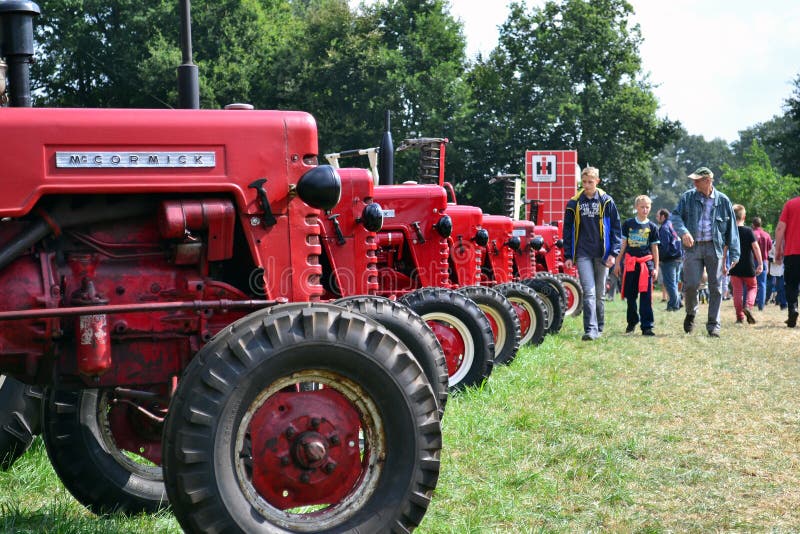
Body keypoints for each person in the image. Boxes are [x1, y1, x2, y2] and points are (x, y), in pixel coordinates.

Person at [670, 166, 740, 337]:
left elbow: (732, 229)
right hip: (693, 248)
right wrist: (684, 232)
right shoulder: (688, 197)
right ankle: (691, 313)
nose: (694, 183)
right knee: (691, 284)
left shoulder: (723, 201)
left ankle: (713, 325)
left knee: (716, 288)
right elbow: (675, 216)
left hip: (714, 247)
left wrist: (734, 253)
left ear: (707, 181)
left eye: (697, 180)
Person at [563, 166, 622, 341]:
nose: (587, 185)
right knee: (588, 292)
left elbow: (616, 229)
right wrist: (567, 254)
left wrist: (614, 253)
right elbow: (567, 230)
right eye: (584, 182)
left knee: (599, 294)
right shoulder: (574, 203)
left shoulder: (606, 201)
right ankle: (590, 329)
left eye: (590, 182)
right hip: (583, 253)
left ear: (597, 181)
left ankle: (600, 326)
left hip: (603, 253)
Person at [614, 195, 659, 336]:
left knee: (646, 296)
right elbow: (623, 245)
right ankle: (632, 322)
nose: (645, 210)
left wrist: (656, 267)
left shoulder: (652, 227)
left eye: (647, 207)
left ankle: (647, 326)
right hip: (631, 264)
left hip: (646, 264)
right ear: (636, 207)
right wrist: (617, 262)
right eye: (642, 207)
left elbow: (654, 249)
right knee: (631, 296)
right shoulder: (628, 224)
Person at [729, 204, 762, 324]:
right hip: (748, 265)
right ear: (744, 216)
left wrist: (723, 264)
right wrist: (760, 263)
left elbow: (725, 248)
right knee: (753, 287)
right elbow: (756, 247)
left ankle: (740, 317)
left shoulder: (730, 232)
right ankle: (748, 306)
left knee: (737, 291)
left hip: (734, 265)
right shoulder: (748, 231)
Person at [773, 196, 800, 327]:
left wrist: (778, 250)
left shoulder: (790, 204)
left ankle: (793, 311)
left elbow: (780, 228)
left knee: (791, 285)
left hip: (793, 252)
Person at [656, 207, 683, 311]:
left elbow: (664, 246)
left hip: (669, 260)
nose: (657, 218)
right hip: (678, 258)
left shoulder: (664, 228)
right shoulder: (673, 226)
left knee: (670, 284)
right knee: (675, 283)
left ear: (663, 216)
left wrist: (660, 258)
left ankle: (673, 305)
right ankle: (678, 302)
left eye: (658, 216)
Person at [751, 216, 772, 311]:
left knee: (750, 283)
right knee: (762, 283)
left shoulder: (752, 233)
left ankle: (750, 302)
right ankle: (761, 306)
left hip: (752, 260)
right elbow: (770, 248)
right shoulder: (766, 235)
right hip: (763, 261)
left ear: (753, 224)